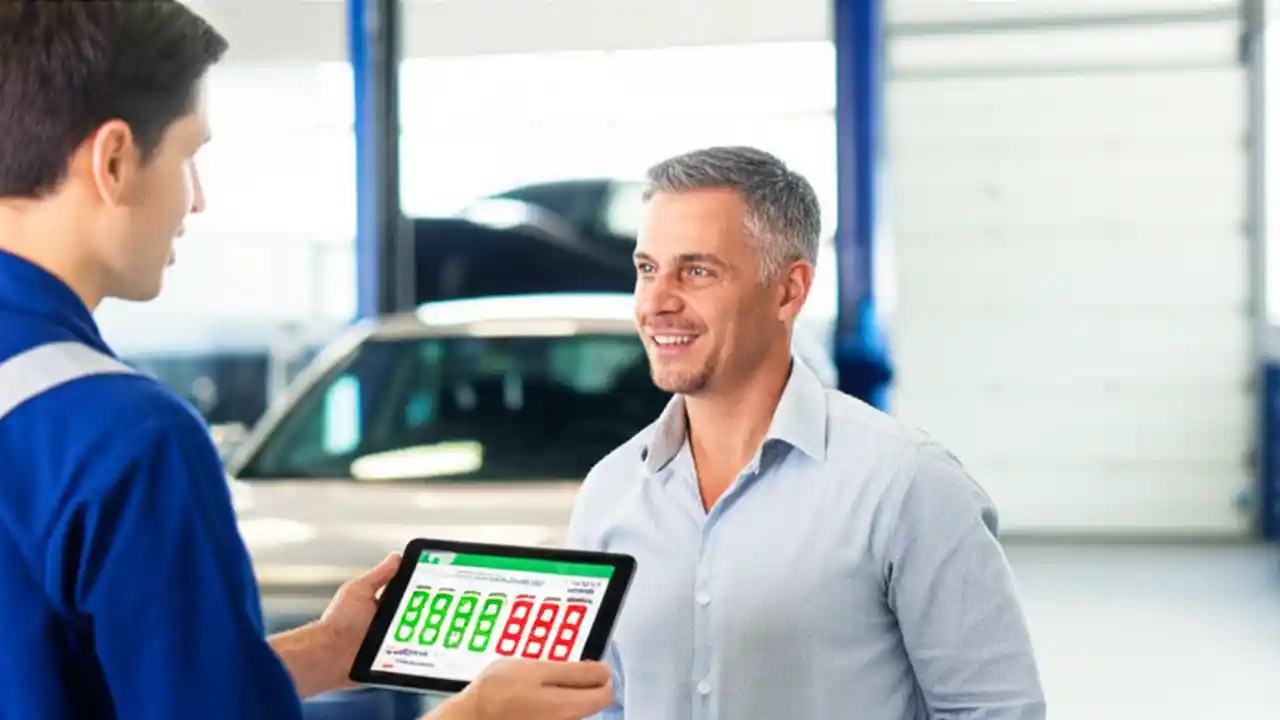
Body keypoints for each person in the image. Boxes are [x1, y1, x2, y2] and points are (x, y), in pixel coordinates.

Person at [0, 3, 611, 720]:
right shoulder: (125, 437)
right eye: (188, 154)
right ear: (112, 161)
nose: (197, 200)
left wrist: (323, 650)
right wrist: (476, 715)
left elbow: (65, 671)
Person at [567, 146, 1047, 719]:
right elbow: (603, 706)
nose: (658, 302)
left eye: (697, 271)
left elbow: (995, 711)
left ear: (789, 290)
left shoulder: (905, 484)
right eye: (647, 269)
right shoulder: (610, 491)